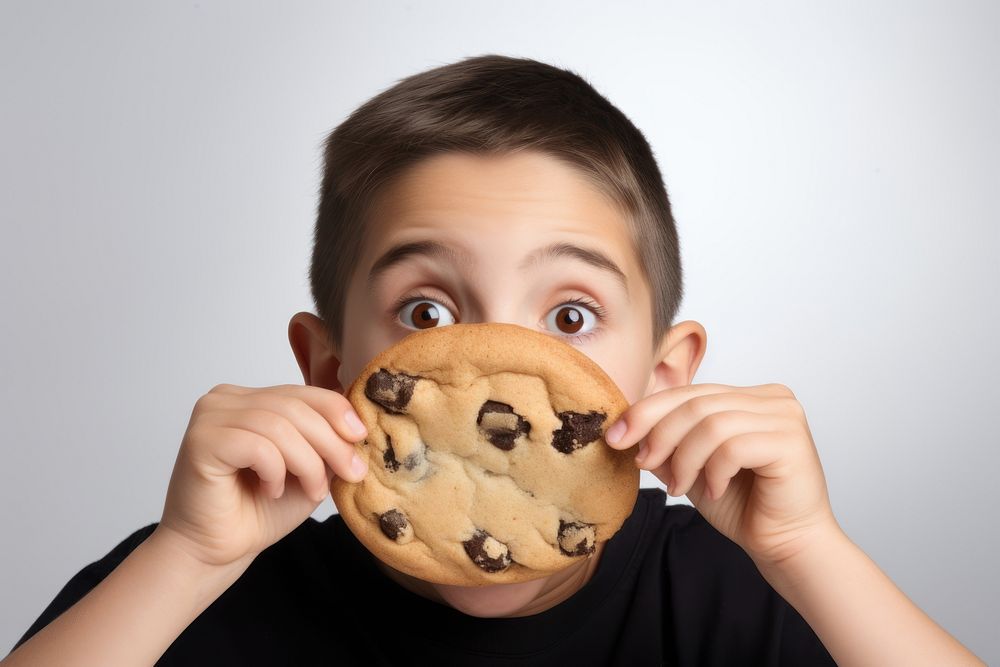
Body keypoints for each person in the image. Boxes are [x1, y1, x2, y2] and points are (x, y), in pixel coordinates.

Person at [4, 54, 984, 666]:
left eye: (569, 313)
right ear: (328, 364)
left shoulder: (735, 595)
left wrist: (811, 554)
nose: (502, 368)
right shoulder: (210, 586)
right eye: (425, 307)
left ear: (662, 376)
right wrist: (186, 558)